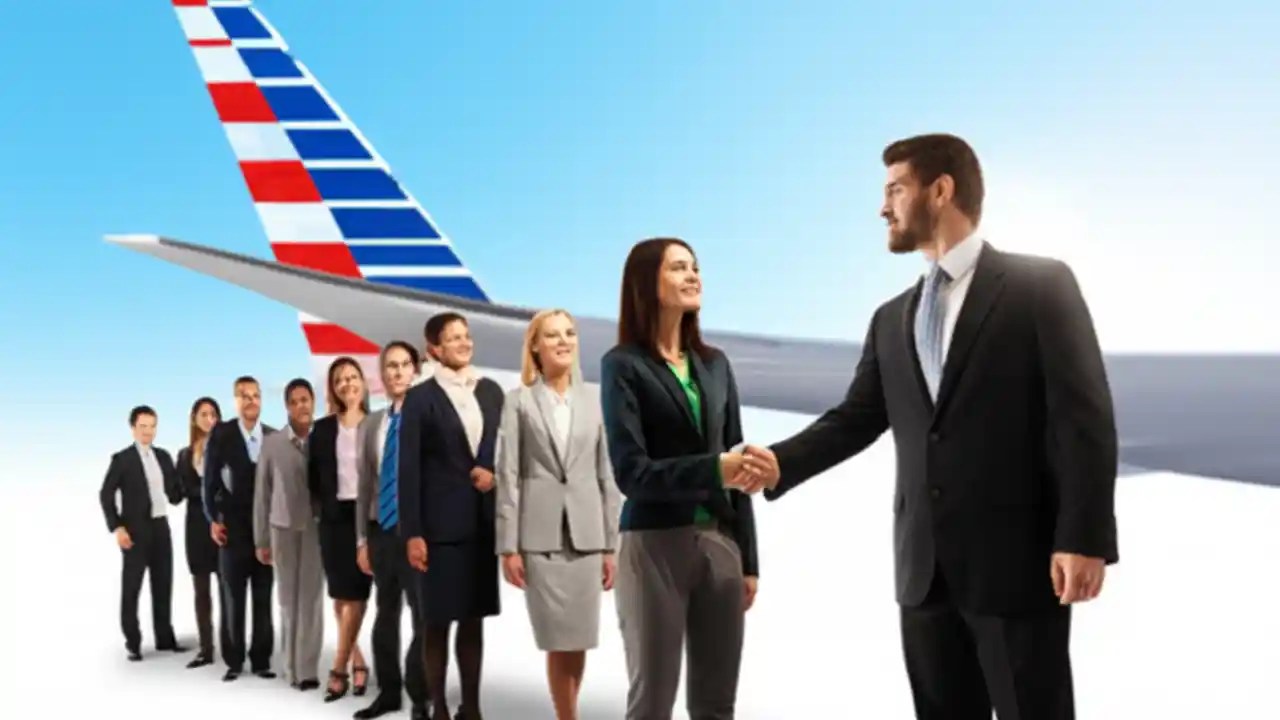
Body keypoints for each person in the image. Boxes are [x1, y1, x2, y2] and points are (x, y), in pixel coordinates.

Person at [737, 133, 1119, 720]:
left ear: (941, 191)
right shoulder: (891, 320)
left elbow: (1083, 416)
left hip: (1018, 566)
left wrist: (1083, 536)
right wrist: (779, 462)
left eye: (895, 189)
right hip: (924, 575)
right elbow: (856, 418)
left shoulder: (1041, 286)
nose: (882, 207)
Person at [598, 237, 760, 720]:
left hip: (721, 543)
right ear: (648, 282)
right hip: (653, 544)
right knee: (652, 702)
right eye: (678, 268)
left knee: (716, 704)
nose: (693, 276)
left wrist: (748, 559)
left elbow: (742, 463)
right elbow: (632, 472)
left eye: (695, 267)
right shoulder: (622, 365)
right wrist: (714, 469)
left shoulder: (715, 365)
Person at [495, 309, 621, 720]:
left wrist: (611, 544)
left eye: (569, 333)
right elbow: (508, 475)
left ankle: (570, 714)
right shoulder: (519, 402)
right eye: (552, 335)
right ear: (536, 346)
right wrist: (507, 546)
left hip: (587, 536)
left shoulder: (597, 399)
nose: (563, 341)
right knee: (556, 638)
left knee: (579, 639)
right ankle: (567, 716)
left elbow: (607, 474)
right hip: (540, 537)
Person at [399, 312, 505, 720]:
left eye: (466, 335)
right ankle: (438, 707)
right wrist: (413, 533)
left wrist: (492, 473)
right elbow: (408, 470)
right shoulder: (420, 397)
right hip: (438, 530)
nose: (464, 343)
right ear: (434, 350)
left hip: (480, 524)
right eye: (453, 338)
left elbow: (500, 448)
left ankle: (472, 707)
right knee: (437, 622)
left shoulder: (492, 391)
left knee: (474, 622)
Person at [354, 340, 428, 719]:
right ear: (382, 376)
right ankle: (388, 693)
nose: (398, 372)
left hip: (416, 531)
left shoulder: (427, 418)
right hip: (381, 530)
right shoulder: (372, 424)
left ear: (415, 370)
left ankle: (420, 698)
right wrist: (362, 539)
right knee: (384, 616)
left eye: (404, 365)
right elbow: (365, 483)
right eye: (391, 367)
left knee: (421, 617)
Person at [204, 375, 278, 681]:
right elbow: (209, 483)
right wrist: (213, 519)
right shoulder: (221, 434)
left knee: (263, 596)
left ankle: (261, 659)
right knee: (233, 596)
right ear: (236, 401)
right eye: (244, 396)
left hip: (266, 531)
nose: (251, 401)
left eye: (256, 395)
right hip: (232, 530)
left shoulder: (274, 437)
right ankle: (233, 660)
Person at [309, 357, 375, 700]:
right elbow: (312, 479)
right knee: (340, 597)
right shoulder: (322, 429)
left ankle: (338, 667)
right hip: (334, 521)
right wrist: (322, 513)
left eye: (352, 377)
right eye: (339, 380)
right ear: (333, 388)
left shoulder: (377, 424)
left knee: (357, 594)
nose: (347, 384)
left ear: (362, 383)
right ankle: (359, 660)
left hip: (368, 519)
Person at [98, 405, 185, 661]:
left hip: (161, 527)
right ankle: (133, 643)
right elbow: (106, 494)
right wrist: (117, 526)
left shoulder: (163, 456)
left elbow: (175, 494)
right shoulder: (122, 459)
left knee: (163, 584)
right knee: (132, 588)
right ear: (133, 428)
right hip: (135, 531)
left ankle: (165, 639)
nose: (148, 431)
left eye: (152, 426)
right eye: (143, 426)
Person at [253, 378, 324, 691]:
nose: (301, 406)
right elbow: (262, 495)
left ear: (313, 402)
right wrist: (261, 540)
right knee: (287, 599)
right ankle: (290, 666)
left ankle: (307, 670)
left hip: (315, 529)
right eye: (294, 401)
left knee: (311, 600)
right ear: (287, 407)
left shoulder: (323, 438)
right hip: (281, 529)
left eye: (305, 399)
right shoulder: (272, 443)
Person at [174, 397, 223, 668]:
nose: (209, 419)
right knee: (201, 590)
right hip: (195, 528)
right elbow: (179, 492)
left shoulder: (226, 449)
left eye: (213, 414)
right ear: (194, 418)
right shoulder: (184, 454)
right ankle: (206, 648)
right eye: (203, 414)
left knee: (227, 588)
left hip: (222, 525)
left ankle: (231, 646)